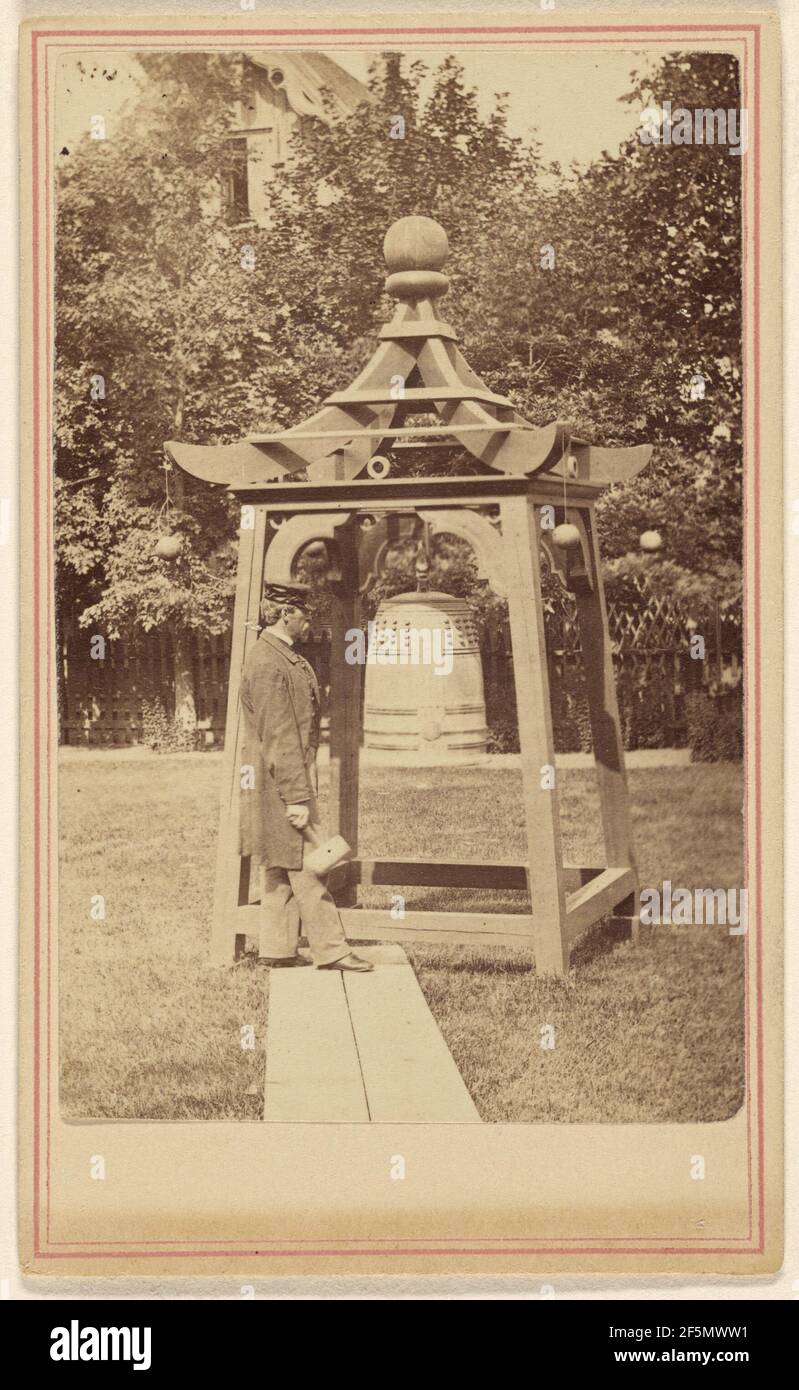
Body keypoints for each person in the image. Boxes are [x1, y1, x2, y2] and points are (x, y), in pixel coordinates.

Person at [239, 581, 373, 972]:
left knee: (281, 864)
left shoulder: (282, 656)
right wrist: (297, 797)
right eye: (304, 614)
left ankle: (277, 949)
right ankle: (332, 950)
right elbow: (279, 737)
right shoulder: (268, 662)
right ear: (285, 614)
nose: (308, 621)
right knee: (311, 863)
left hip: (282, 780)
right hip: (281, 783)